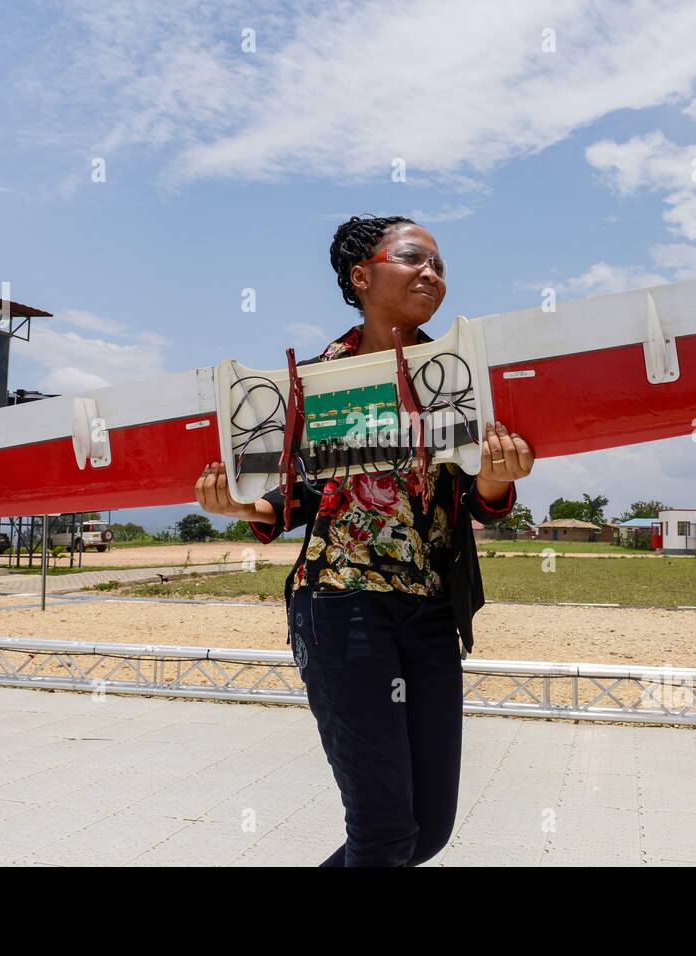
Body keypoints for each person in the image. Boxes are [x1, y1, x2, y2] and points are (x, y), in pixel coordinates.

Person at [195, 214, 533, 866]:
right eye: (412, 258)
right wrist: (239, 504)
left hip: (432, 612)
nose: (431, 273)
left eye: (439, 264)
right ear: (361, 275)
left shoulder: (458, 375)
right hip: (340, 605)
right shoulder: (318, 381)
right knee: (385, 836)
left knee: (424, 833)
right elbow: (291, 495)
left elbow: (476, 498)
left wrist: (494, 478)